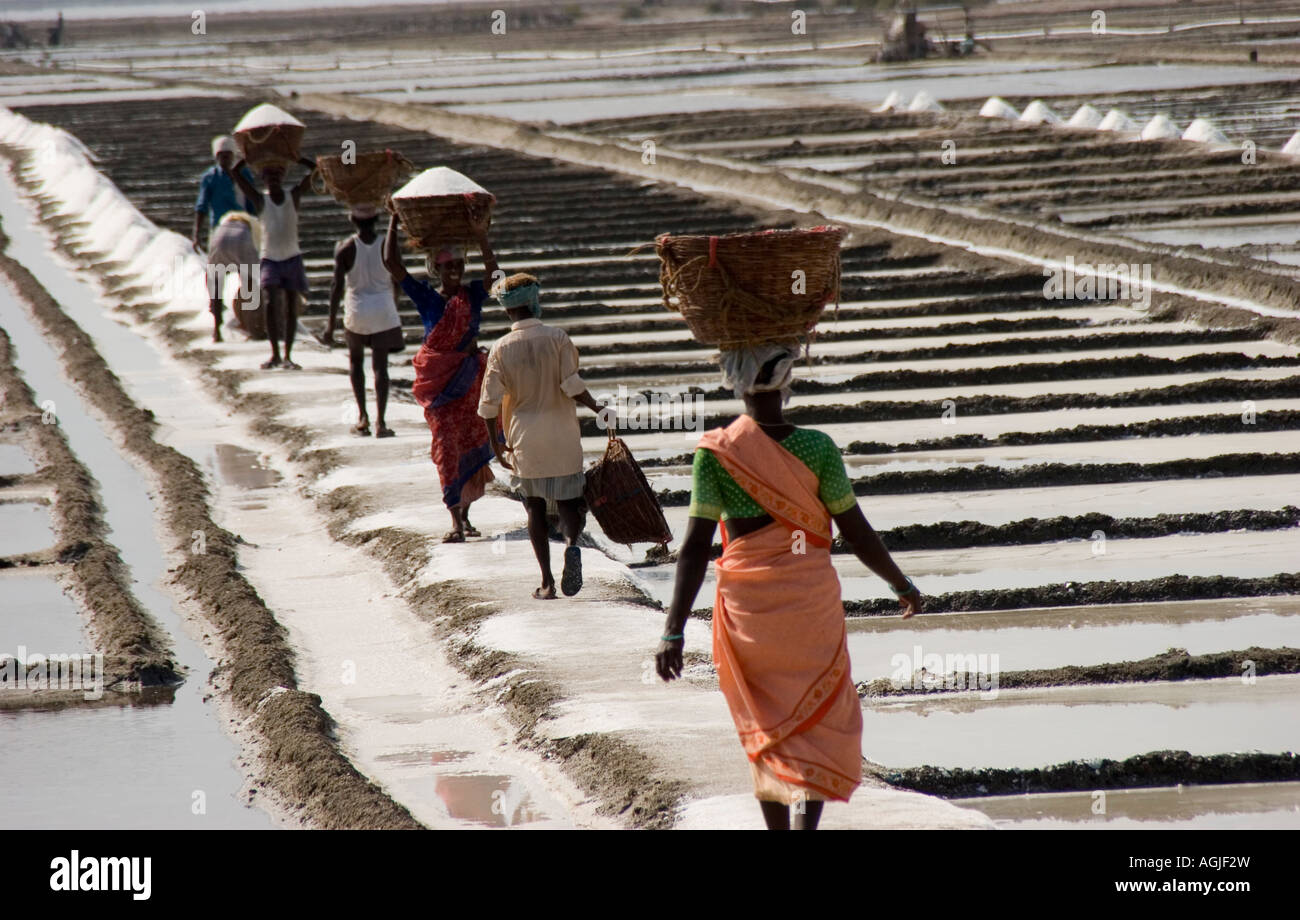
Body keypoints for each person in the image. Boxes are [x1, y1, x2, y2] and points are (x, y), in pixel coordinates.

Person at [654, 343, 922, 831]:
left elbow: (694, 547)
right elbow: (855, 530)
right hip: (809, 604)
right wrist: (900, 583)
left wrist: (673, 631)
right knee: (817, 715)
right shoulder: (817, 447)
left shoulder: (716, 452)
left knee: (764, 723)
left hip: (748, 609)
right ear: (786, 381)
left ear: (735, 383)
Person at [478, 273, 603, 600]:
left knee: (533, 507)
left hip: (524, 437)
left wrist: (496, 443)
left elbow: (489, 403)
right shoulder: (558, 338)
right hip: (562, 434)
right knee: (568, 502)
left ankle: (547, 582)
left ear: (508, 312)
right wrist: (598, 407)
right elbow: (572, 386)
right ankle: (572, 544)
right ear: (535, 302)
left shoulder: (500, 348)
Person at [382, 205, 497, 542]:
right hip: (439, 386)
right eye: (448, 266)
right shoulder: (428, 299)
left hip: (470, 383)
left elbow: (496, 277)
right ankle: (455, 521)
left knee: (469, 444)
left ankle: (465, 516)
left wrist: (482, 237)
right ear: (436, 268)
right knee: (446, 448)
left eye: (459, 265)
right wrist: (393, 218)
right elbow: (392, 263)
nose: (455, 271)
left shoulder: (473, 295)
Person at [228, 154, 317, 369]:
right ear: (264, 179)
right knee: (270, 302)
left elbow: (316, 170)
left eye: (277, 175)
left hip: (292, 257)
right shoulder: (260, 200)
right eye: (269, 176)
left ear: (283, 177)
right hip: (270, 259)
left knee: (290, 306)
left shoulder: (293, 195)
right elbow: (235, 173)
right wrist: (250, 156)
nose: (274, 179)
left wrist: (294, 156)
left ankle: (287, 355)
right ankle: (275, 354)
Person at [324, 204, 403, 437]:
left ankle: (363, 417)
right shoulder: (387, 247)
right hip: (383, 308)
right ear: (376, 219)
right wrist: (393, 305)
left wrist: (330, 325)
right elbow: (398, 278)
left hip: (356, 311)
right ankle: (381, 422)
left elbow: (336, 288)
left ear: (352, 219)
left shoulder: (345, 248)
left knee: (356, 364)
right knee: (381, 367)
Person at [193, 135, 259, 342]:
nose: (225, 159)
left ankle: (250, 324)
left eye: (228, 155)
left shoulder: (243, 175)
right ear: (216, 157)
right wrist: (196, 234)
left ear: (233, 156)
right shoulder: (211, 178)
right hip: (221, 231)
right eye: (221, 156)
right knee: (217, 278)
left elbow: (252, 204)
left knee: (246, 279)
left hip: (240, 229)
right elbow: (202, 207)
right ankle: (218, 327)